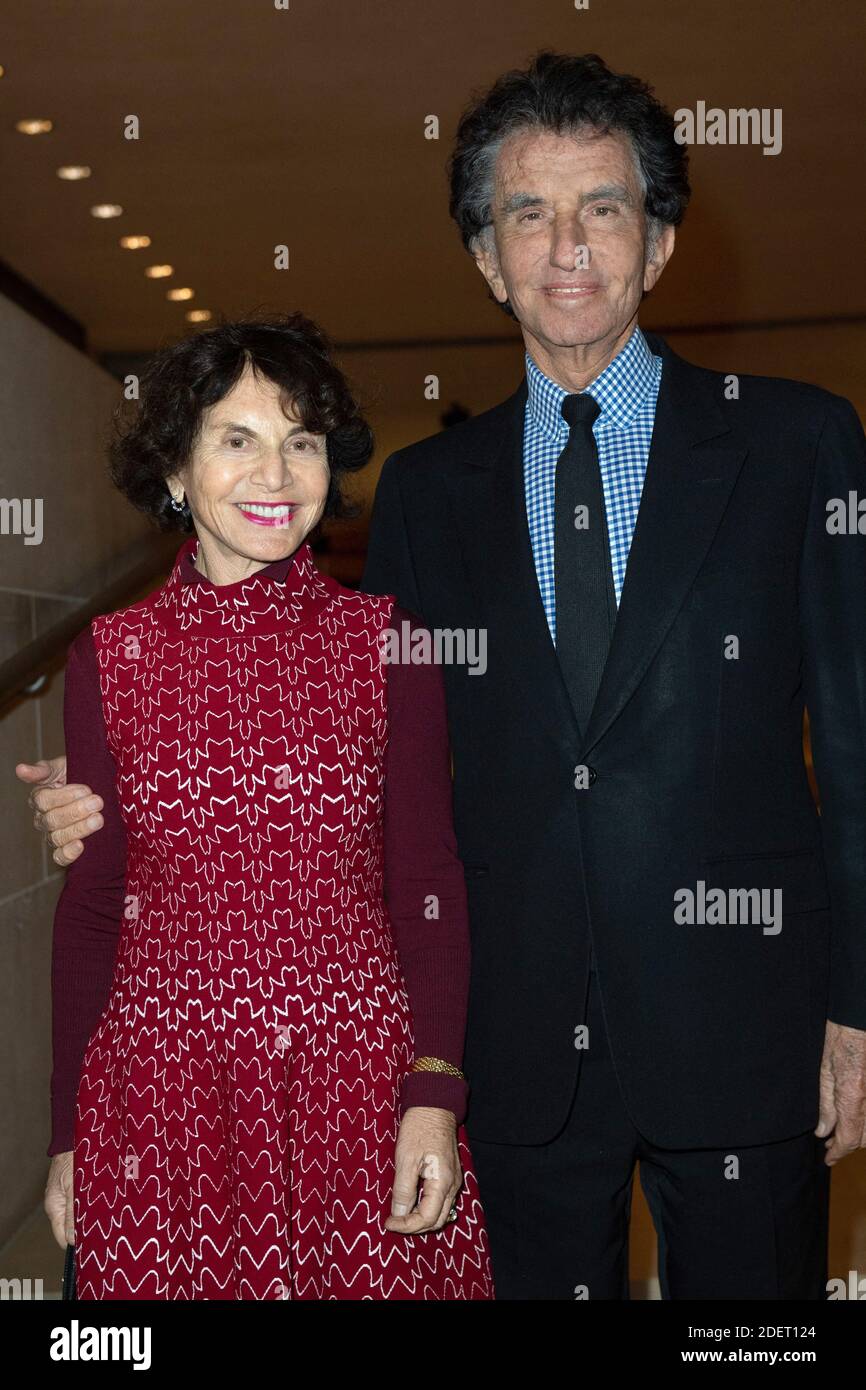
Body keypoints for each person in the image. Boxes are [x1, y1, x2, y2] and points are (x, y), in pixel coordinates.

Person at [22, 50, 866, 1300]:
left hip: (742, 1026)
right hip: (511, 1048)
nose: (566, 244)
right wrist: (112, 807)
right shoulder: (429, 493)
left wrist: (852, 1010)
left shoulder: (798, 442)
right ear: (484, 258)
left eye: (603, 207)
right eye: (527, 211)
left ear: (661, 241)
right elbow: (375, 766)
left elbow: (853, 753)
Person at [20, 312, 494, 1300]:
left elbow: (426, 879)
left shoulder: (387, 641)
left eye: (301, 440)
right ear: (175, 471)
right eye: (237, 440)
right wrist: (68, 1135)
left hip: (355, 1092)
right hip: (164, 1104)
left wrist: (433, 1092)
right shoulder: (109, 659)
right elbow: (96, 902)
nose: (277, 474)